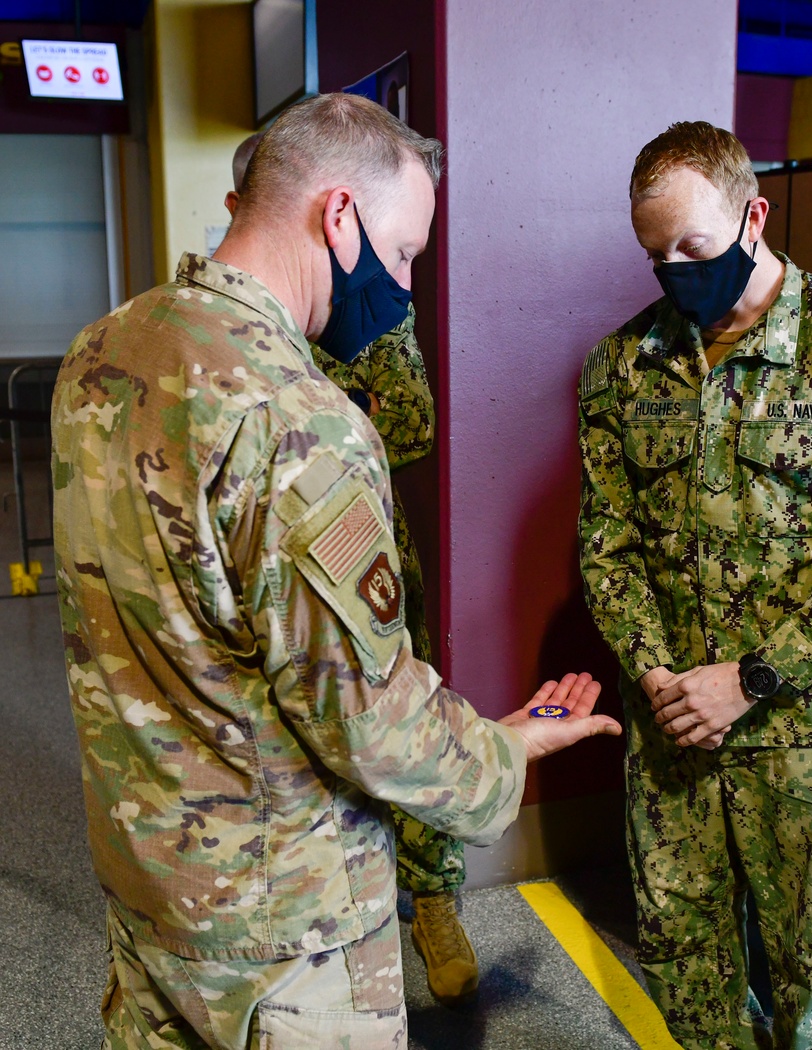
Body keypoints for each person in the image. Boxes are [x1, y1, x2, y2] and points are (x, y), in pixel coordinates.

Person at [52, 92, 621, 1049]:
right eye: (403, 252)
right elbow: (369, 723)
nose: (401, 285)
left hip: (150, 873)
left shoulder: (103, 349)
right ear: (340, 215)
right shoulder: (296, 420)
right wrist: (504, 748)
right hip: (282, 926)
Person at [577, 121, 812, 1049]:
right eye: (656, 255)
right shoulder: (622, 366)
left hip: (809, 740)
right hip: (674, 738)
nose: (677, 270)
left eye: (694, 245)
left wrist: (750, 679)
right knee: (688, 974)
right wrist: (658, 677)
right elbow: (606, 548)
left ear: (754, 215)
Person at [226, 134, 479, 1004]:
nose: (402, 275)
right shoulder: (231, 333)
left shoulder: (371, 305)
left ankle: (435, 901)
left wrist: (328, 427)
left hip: (365, 553)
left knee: (400, 705)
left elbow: (409, 424)